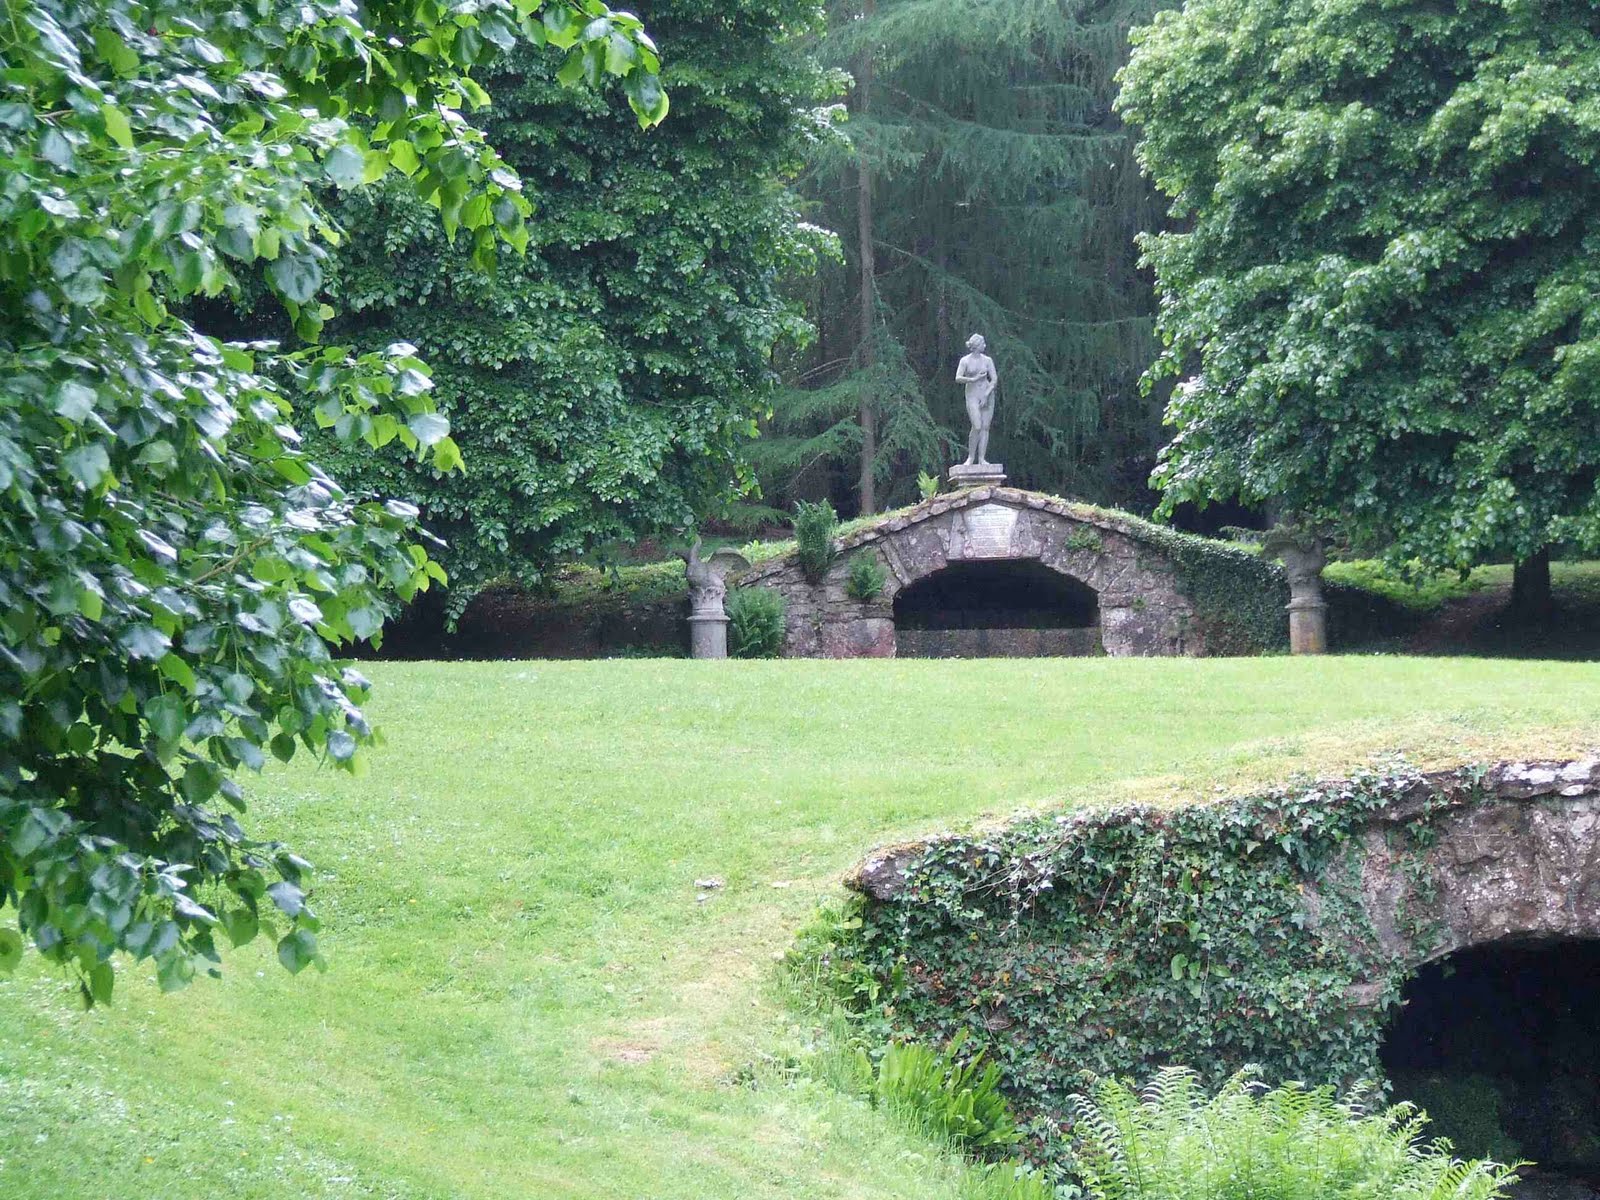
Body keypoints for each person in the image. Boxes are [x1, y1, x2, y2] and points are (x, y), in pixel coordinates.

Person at [955, 333, 998, 465]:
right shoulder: (965, 361)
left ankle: (981, 458)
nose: (984, 345)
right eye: (982, 343)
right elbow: (958, 377)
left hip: (986, 394)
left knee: (985, 426)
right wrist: (973, 379)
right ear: (976, 346)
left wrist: (987, 393)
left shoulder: (987, 360)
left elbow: (994, 379)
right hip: (972, 394)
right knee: (977, 425)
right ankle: (971, 456)